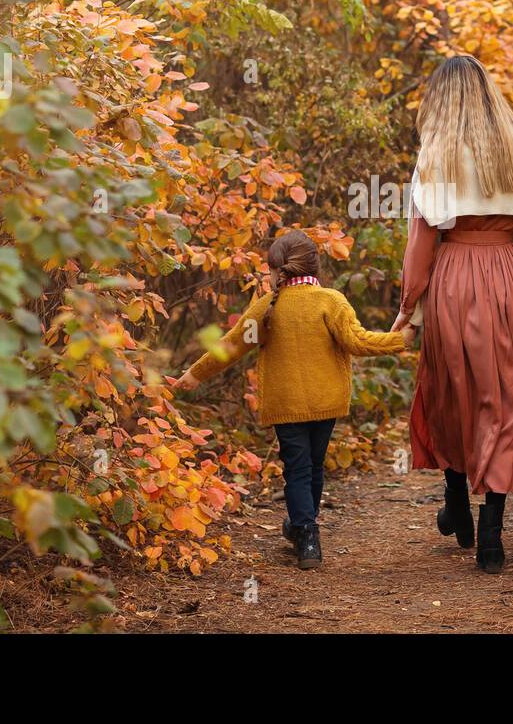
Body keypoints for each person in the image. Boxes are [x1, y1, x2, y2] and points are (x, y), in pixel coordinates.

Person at [391, 55, 513, 573]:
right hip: (510, 279)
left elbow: (421, 245)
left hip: (453, 280)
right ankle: (491, 533)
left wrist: (408, 307)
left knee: (450, 391)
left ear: (440, 100)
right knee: (506, 400)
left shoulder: (436, 158)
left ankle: (456, 500)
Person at [175, 230, 413, 569]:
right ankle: (306, 531)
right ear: (314, 267)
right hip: (325, 402)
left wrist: (195, 374)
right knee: (314, 467)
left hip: (286, 406)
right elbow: (358, 342)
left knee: (298, 469)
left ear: (277, 271)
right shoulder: (331, 301)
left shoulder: (266, 307)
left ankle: (305, 532)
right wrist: (398, 340)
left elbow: (229, 346)